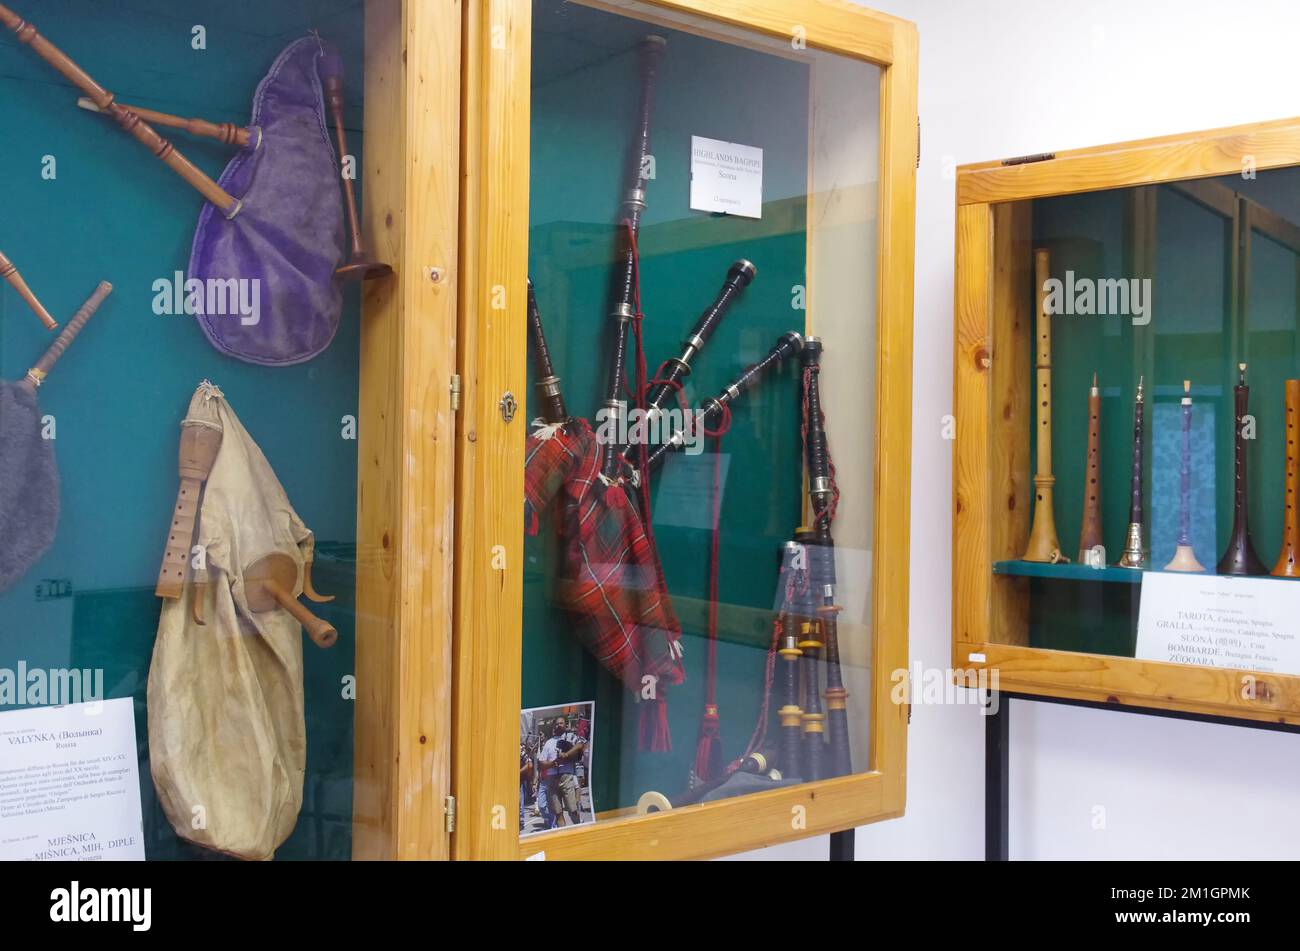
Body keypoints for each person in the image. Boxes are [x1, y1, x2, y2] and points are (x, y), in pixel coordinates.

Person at [538, 719, 586, 826]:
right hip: (552, 780)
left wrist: (566, 754)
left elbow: (580, 745)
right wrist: (552, 763)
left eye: (561, 723)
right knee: (558, 813)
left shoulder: (571, 736)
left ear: (565, 725)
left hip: (566, 777)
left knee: (573, 810)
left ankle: (579, 829)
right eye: (556, 724)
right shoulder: (548, 743)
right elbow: (541, 763)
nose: (558, 726)